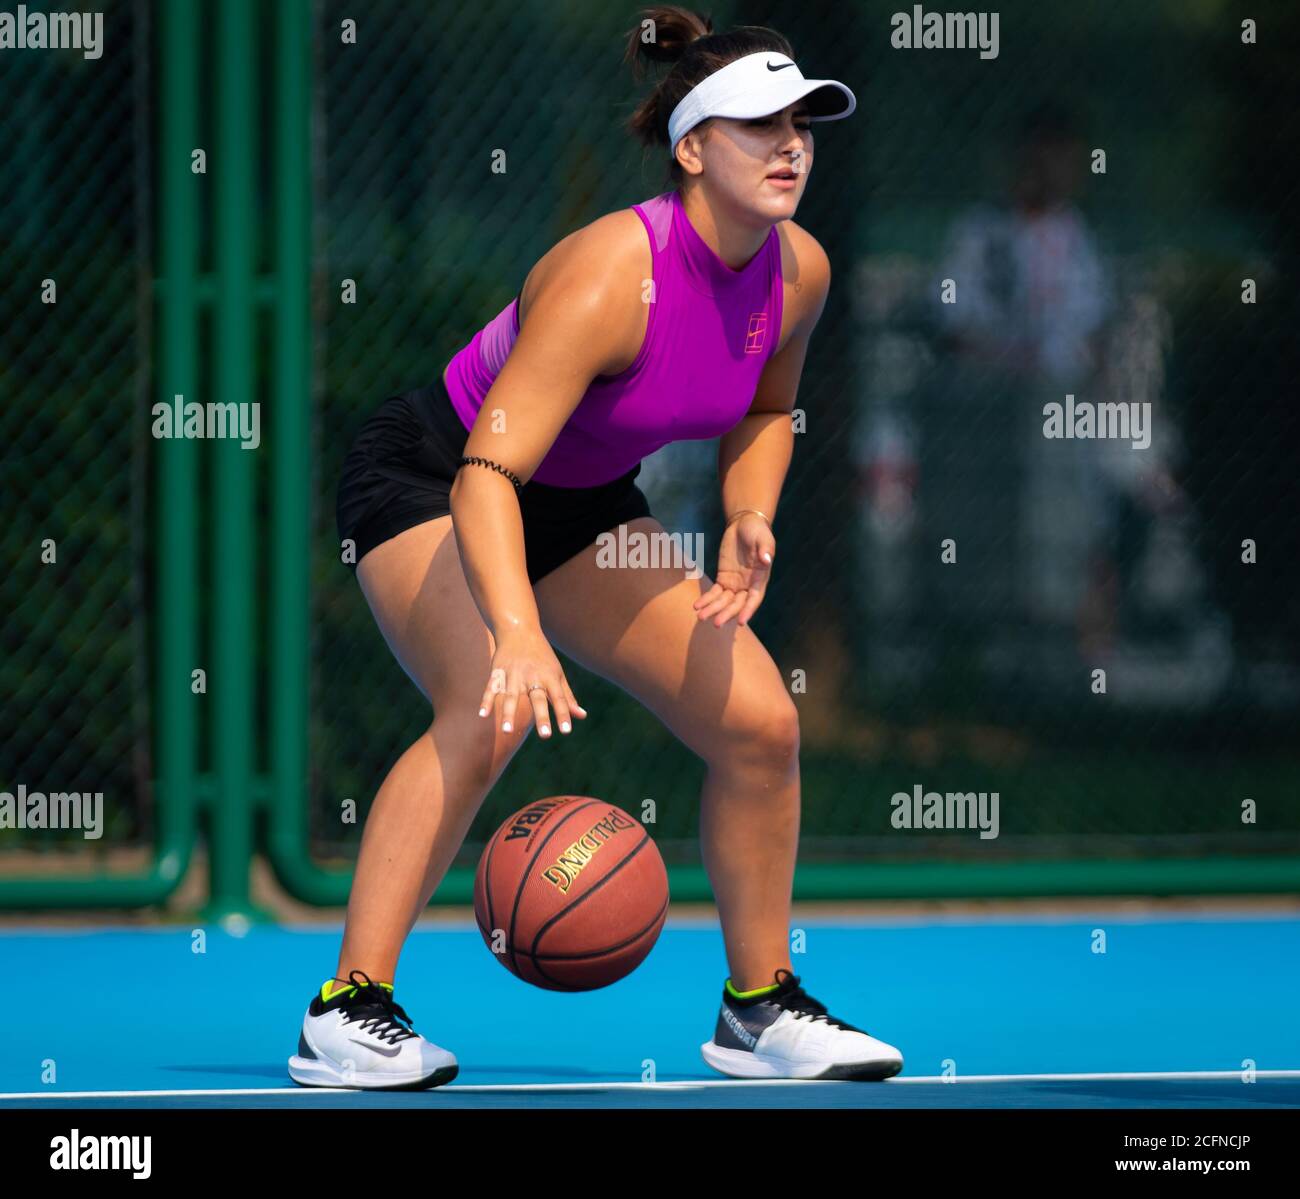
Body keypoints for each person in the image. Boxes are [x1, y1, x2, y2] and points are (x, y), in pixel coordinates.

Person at [289, 4, 902, 1089]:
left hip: (578, 500)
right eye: (762, 125)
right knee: (487, 698)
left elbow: (767, 408)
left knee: (760, 723)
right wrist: (518, 630)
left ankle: (759, 1008)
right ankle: (347, 1008)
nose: (792, 144)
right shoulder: (610, 272)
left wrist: (749, 510)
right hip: (438, 473)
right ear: (693, 147)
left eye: (804, 122)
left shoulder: (795, 269)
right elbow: (486, 476)